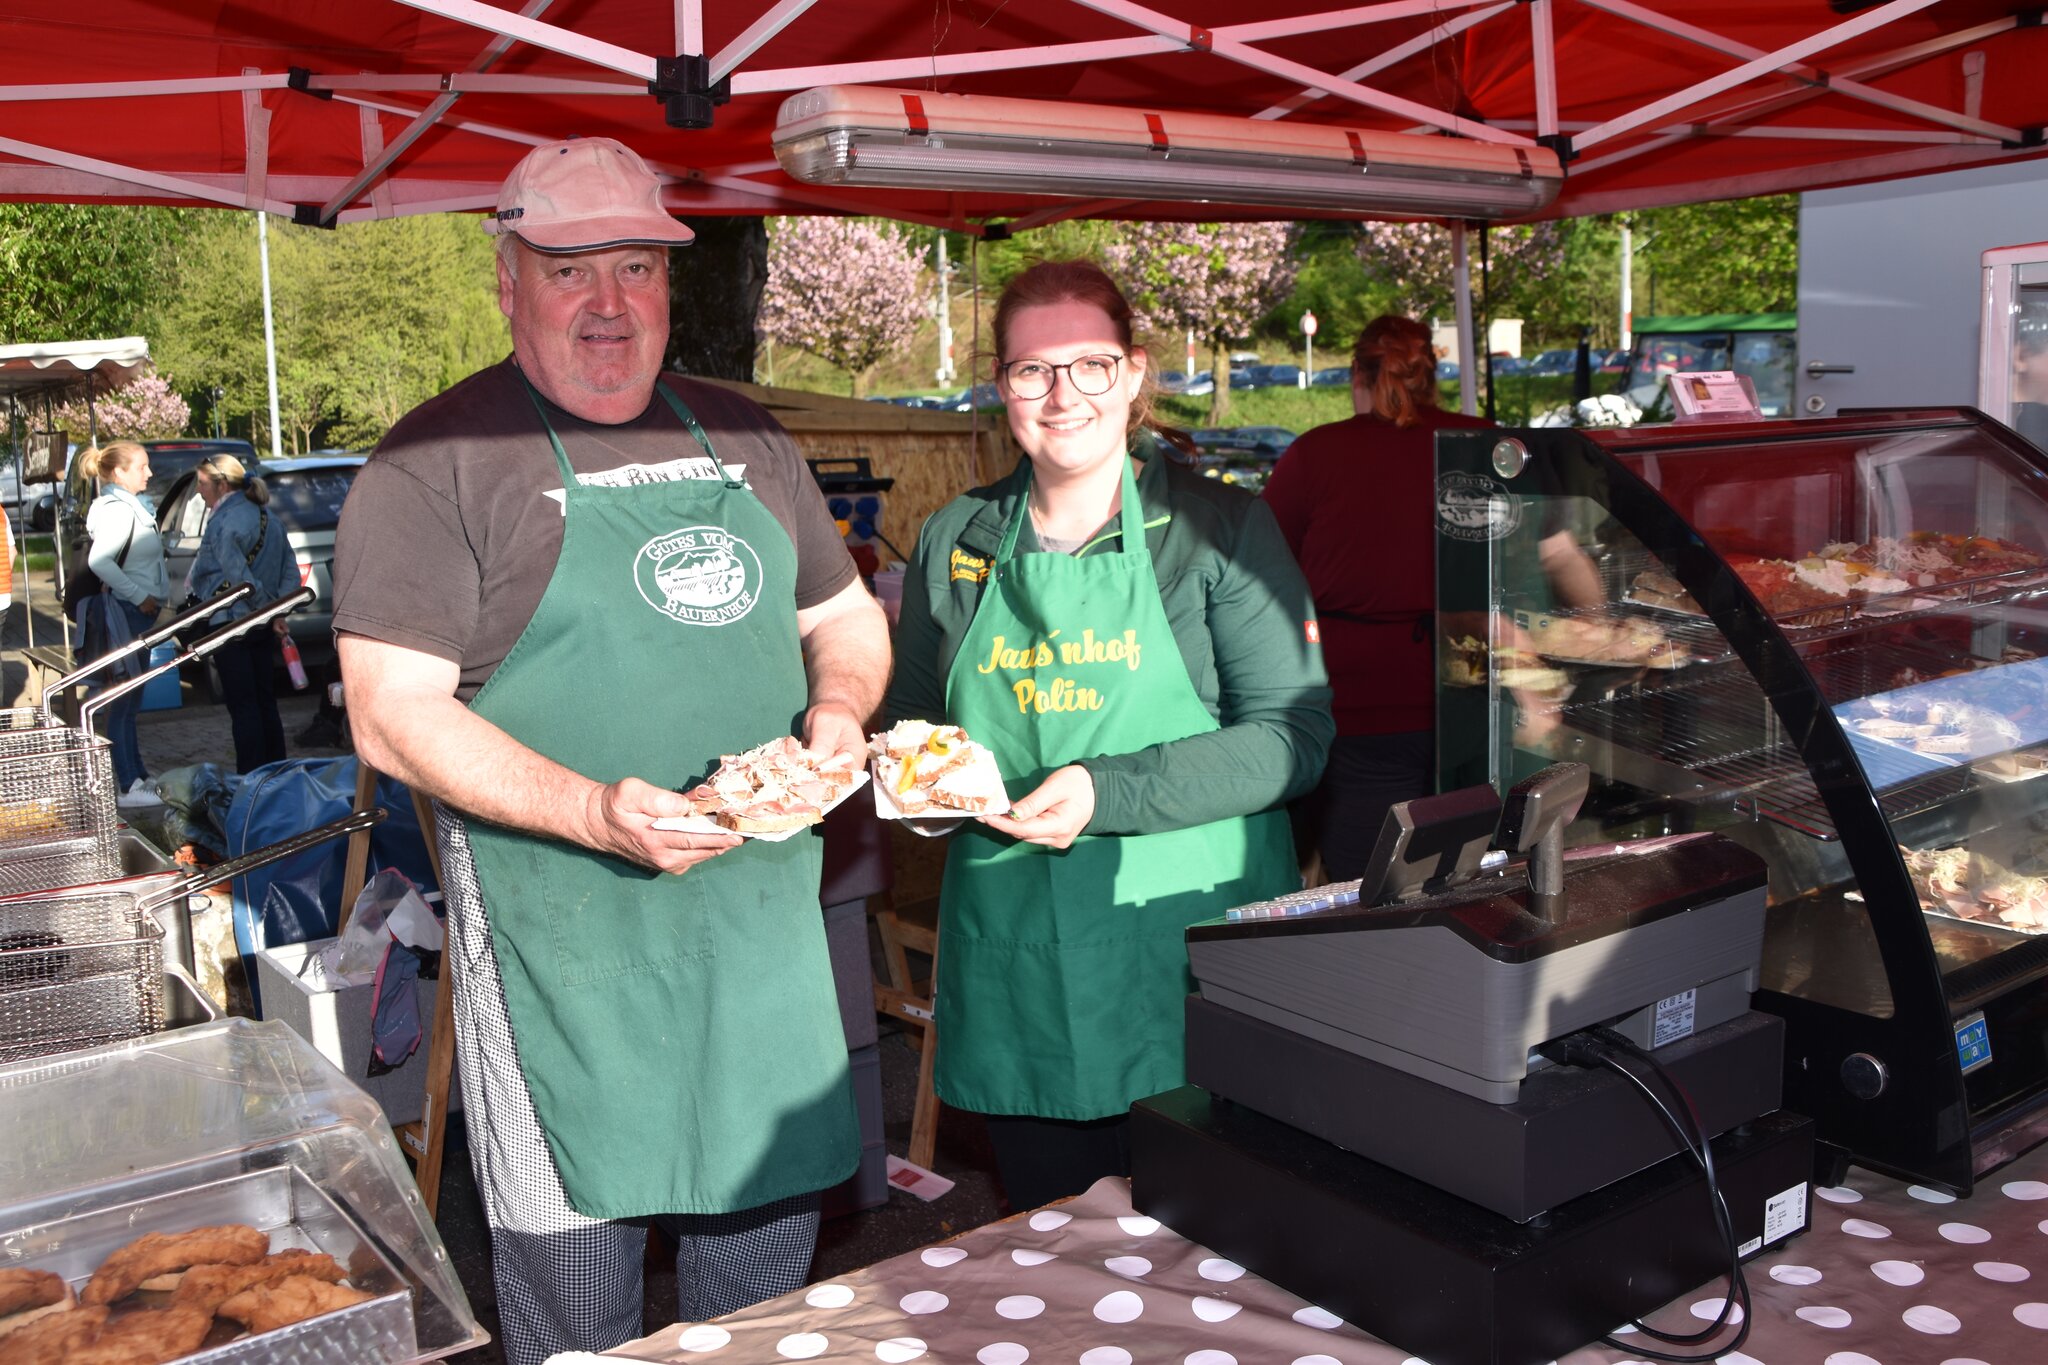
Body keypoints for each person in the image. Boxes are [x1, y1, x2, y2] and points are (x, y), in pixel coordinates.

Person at [331, 136, 890, 1365]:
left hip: (756, 961)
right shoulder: (435, 464)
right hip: (564, 966)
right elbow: (388, 712)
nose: (606, 303)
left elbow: (842, 616)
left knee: (761, 1320)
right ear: (507, 278)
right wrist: (594, 813)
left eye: (634, 266)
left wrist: (837, 715)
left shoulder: (745, 437)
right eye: (569, 267)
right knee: (582, 1325)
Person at [887, 260, 1333, 1212]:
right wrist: (915, 785)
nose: (1062, 396)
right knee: (1055, 1275)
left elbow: (1294, 738)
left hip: (1184, 962)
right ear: (998, 385)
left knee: (1224, 1274)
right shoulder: (956, 539)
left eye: (1089, 365)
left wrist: (1104, 790)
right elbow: (913, 729)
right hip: (1024, 966)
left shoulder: (1219, 529)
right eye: (1030, 371)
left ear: (1133, 374)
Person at [1263, 317, 1601, 880]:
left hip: (1363, 711)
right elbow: (1560, 554)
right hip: (1483, 704)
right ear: (1434, 375)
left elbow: (1263, 576)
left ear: (1356, 374)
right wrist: (1602, 626)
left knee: (1367, 883)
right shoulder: (1489, 446)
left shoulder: (1315, 456)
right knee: (1477, 869)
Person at [187, 453, 299, 774]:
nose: (198, 490)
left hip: (232, 624)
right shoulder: (268, 517)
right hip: (262, 624)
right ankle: (277, 774)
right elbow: (290, 571)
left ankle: (250, 780)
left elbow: (239, 577)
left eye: (203, 483)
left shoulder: (223, 521)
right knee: (266, 703)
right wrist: (277, 611)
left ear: (221, 485)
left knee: (244, 708)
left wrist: (262, 607)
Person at [75, 441, 169, 795]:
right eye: (142, 466)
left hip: (140, 611)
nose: (149, 473)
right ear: (119, 472)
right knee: (123, 701)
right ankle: (128, 782)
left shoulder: (132, 506)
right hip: (129, 612)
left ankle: (138, 775)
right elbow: (101, 561)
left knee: (130, 702)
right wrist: (138, 595)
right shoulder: (117, 509)